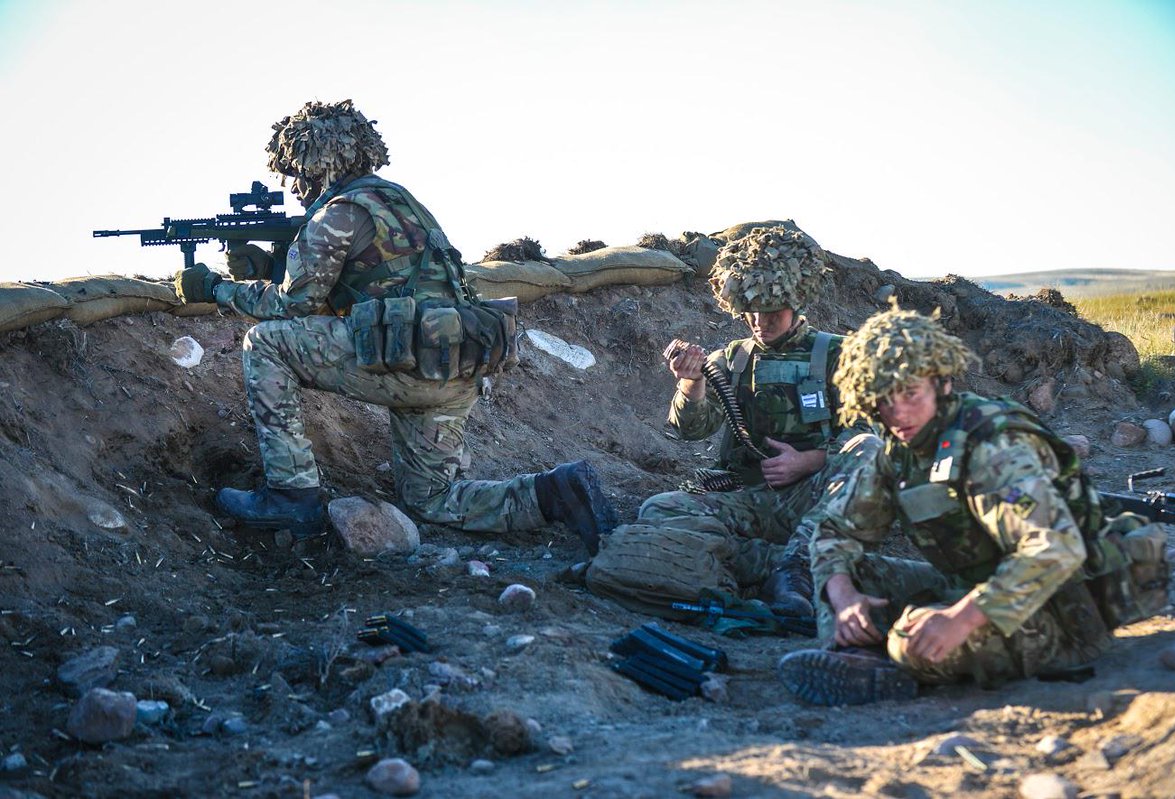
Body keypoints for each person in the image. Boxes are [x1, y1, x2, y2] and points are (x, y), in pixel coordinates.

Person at [172, 99, 615, 546]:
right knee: (433, 500)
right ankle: (557, 492)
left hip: (405, 361)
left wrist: (214, 288)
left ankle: (291, 494)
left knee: (264, 343)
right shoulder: (404, 204)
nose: (295, 187)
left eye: (295, 175)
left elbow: (293, 307)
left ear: (314, 166)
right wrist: (272, 266)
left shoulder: (337, 214)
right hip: (455, 363)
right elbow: (373, 288)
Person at [778, 305, 1170, 705]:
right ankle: (855, 656)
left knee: (908, 643)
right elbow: (835, 531)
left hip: (1057, 613)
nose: (898, 413)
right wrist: (845, 600)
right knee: (846, 576)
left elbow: (1053, 547)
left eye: (910, 394)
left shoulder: (992, 445)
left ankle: (888, 663)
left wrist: (958, 619)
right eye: (882, 401)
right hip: (967, 587)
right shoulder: (899, 452)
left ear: (941, 384)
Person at [584, 225, 878, 620]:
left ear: (797, 304)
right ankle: (775, 562)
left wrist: (808, 462)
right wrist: (692, 383)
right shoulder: (732, 360)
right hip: (748, 500)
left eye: (772, 312)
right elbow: (692, 431)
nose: (760, 322)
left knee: (871, 456)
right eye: (751, 312)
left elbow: (868, 435)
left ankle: (796, 568)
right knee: (658, 510)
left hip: (814, 498)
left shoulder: (838, 355)